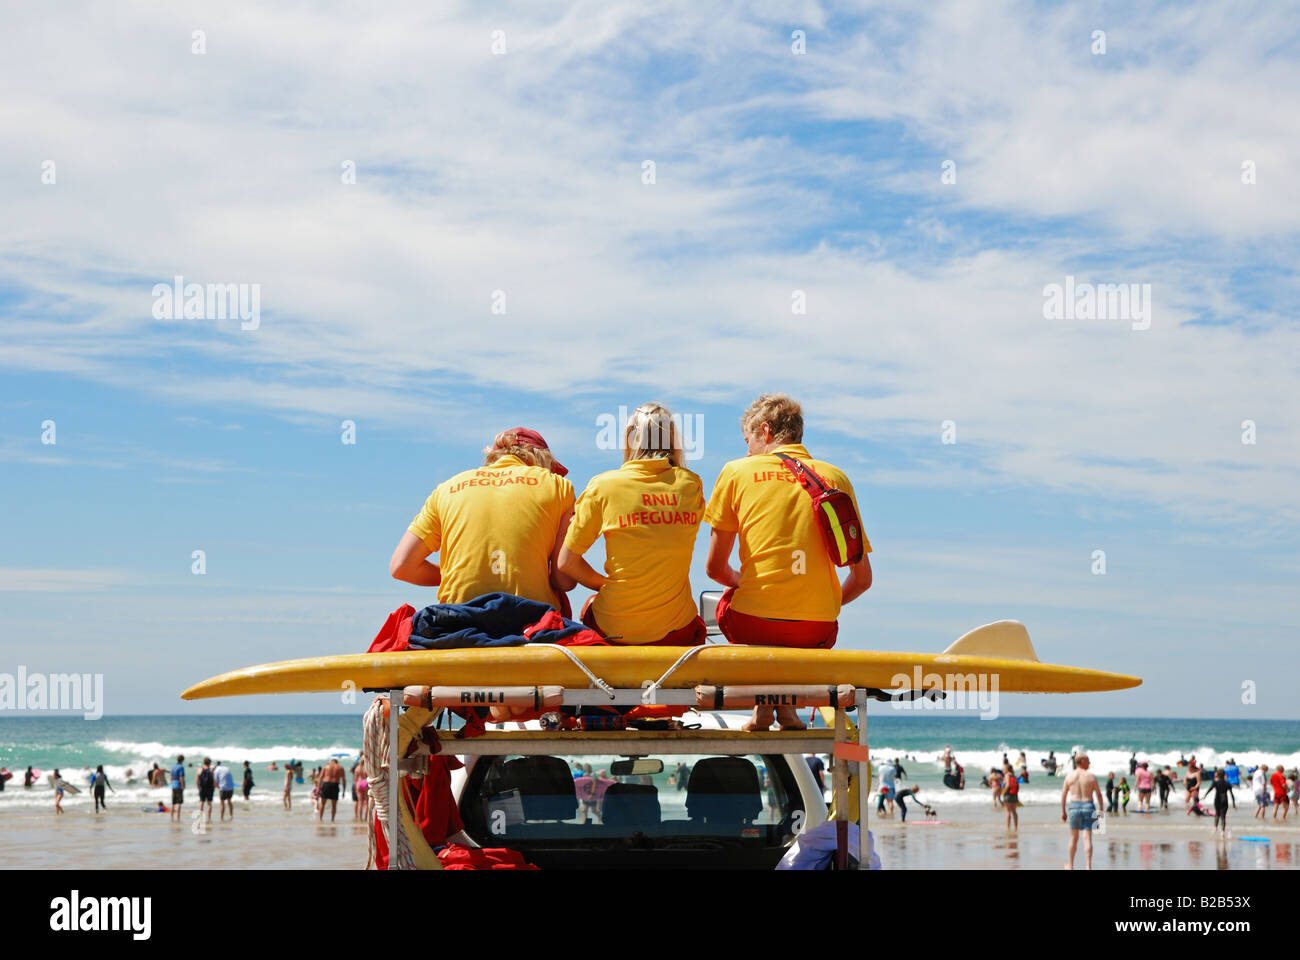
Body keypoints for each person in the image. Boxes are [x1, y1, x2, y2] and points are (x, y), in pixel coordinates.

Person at [703, 394, 872, 731]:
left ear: (764, 431)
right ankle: (786, 710)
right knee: (790, 630)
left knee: (726, 605)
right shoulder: (834, 478)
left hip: (754, 624)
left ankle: (762, 709)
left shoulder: (736, 471)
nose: (747, 449)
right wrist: (824, 600)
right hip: (818, 630)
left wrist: (751, 582)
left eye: (748, 440)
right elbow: (863, 578)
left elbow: (715, 570)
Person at [558, 402, 707, 649]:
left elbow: (565, 563)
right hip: (675, 631)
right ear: (672, 439)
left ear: (630, 438)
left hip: (616, 628)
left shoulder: (603, 487)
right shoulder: (691, 486)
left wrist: (605, 585)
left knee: (590, 606)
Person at [390, 427, 576, 609]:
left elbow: (402, 566)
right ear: (541, 458)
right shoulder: (559, 486)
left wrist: (471, 572)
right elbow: (564, 580)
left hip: (458, 620)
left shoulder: (448, 488)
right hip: (530, 619)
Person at [1062, 752, 1105, 870]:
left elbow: (1064, 795)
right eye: (1088, 761)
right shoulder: (1091, 776)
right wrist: (1101, 812)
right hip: (1088, 806)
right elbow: (1099, 795)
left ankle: (1070, 865)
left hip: (1074, 807)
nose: (1089, 763)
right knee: (1087, 838)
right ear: (1081, 762)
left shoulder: (1069, 776)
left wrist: (1063, 812)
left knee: (1073, 838)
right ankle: (1088, 866)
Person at [1203, 769, 1234, 838]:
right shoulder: (1227, 783)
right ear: (1224, 775)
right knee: (1223, 816)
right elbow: (1232, 794)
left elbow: (1210, 789)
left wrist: (1205, 795)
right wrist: (1234, 804)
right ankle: (1222, 832)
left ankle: (1215, 828)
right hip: (1224, 800)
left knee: (1217, 814)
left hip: (1217, 799)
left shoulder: (1215, 782)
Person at [197, 758, 215, 823]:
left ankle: (200, 817)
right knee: (209, 803)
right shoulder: (211, 771)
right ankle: (209, 817)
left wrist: (198, 787)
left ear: (204, 762)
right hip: (209, 788)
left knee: (201, 802)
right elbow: (213, 780)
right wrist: (213, 787)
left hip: (202, 788)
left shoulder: (200, 769)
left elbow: (197, 779)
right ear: (209, 763)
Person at [1002, 764, 1020, 828]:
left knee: (1007, 812)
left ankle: (1008, 827)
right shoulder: (1013, 775)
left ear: (1006, 769)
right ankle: (1016, 827)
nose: (1002, 770)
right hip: (1015, 795)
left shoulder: (1007, 775)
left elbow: (1007, 785)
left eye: (1003, 768)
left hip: (1008, 795)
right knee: (1014, 812)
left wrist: (1003, 792)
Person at [170, 755, 186, 823]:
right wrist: (182, 785)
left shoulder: (173, 767)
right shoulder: (181, 767)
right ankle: (178, 817)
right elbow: (181, 777)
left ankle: (172, 817)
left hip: (173, 785)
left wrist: (171, 785)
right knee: (179, 802)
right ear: (182, 760)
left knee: (173, 803)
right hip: (178, 785)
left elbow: (171, 777)